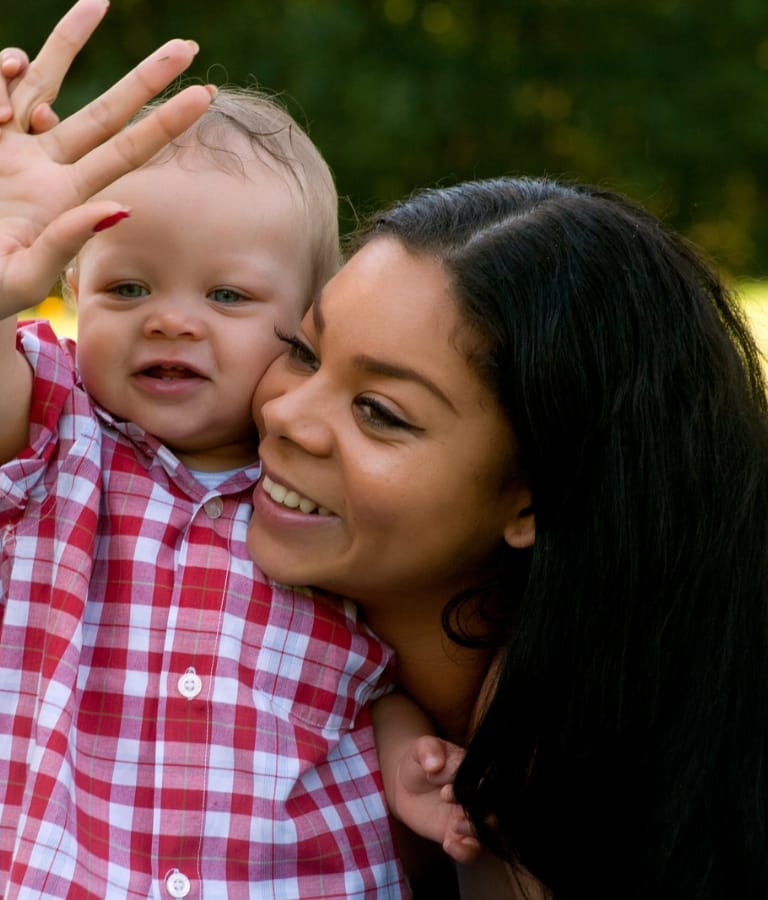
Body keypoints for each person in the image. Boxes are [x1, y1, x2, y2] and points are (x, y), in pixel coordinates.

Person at [0, 2, 470, 896]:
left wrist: (404, 756)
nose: (170, 317)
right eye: (126, 286)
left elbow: (359, 684)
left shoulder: (319, 498)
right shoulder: (63, 443)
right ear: (73, 289)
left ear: (305, 320)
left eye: (230, 296)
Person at [246, 177, 768, 897]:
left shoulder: (568, 795)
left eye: (379, 411)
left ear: (534, 502)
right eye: (302, 351)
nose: (285, 416)